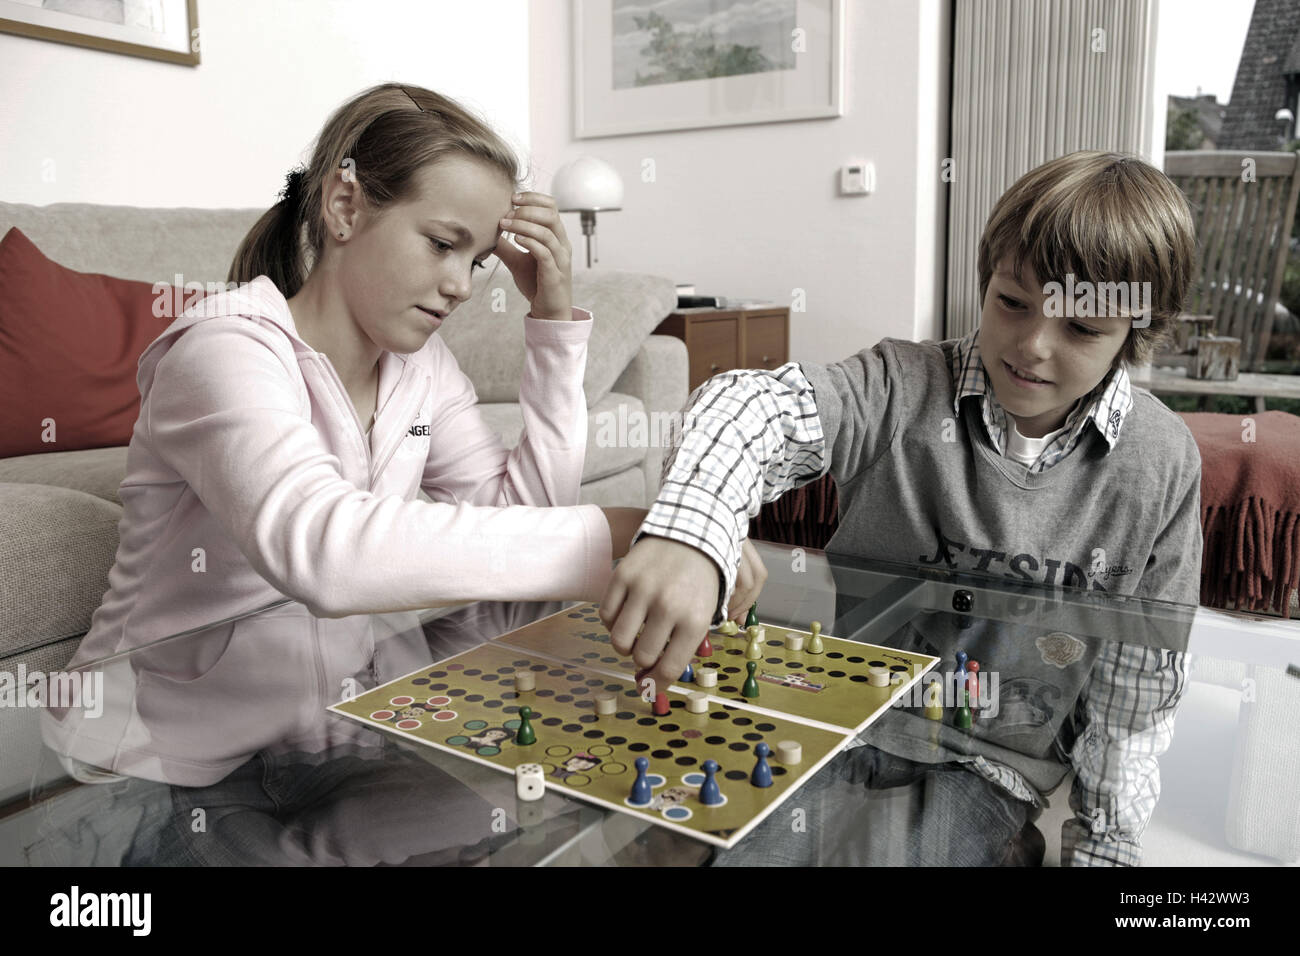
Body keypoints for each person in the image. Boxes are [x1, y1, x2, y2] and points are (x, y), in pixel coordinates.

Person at [601, 151, 1203, 866]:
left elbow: (1137, 689)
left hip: (988, 765)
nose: (1034, 346)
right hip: (845, 722)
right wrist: (693, 533)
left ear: (1138, 331)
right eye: (1012, 303)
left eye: (1081, 330)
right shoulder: (901, 383)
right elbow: (750, 403)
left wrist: (1105, 848)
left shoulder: (1160, 460)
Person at [42, 82, 649, 787]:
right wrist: (614, 533)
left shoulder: (424, 373)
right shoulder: (224, 351)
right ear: (344, 206)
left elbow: (520, 532)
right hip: (146, 769)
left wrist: (552, 328)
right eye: (441, 243)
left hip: (318, 753)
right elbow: (327, 550)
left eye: (476, 259)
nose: (459, 286)